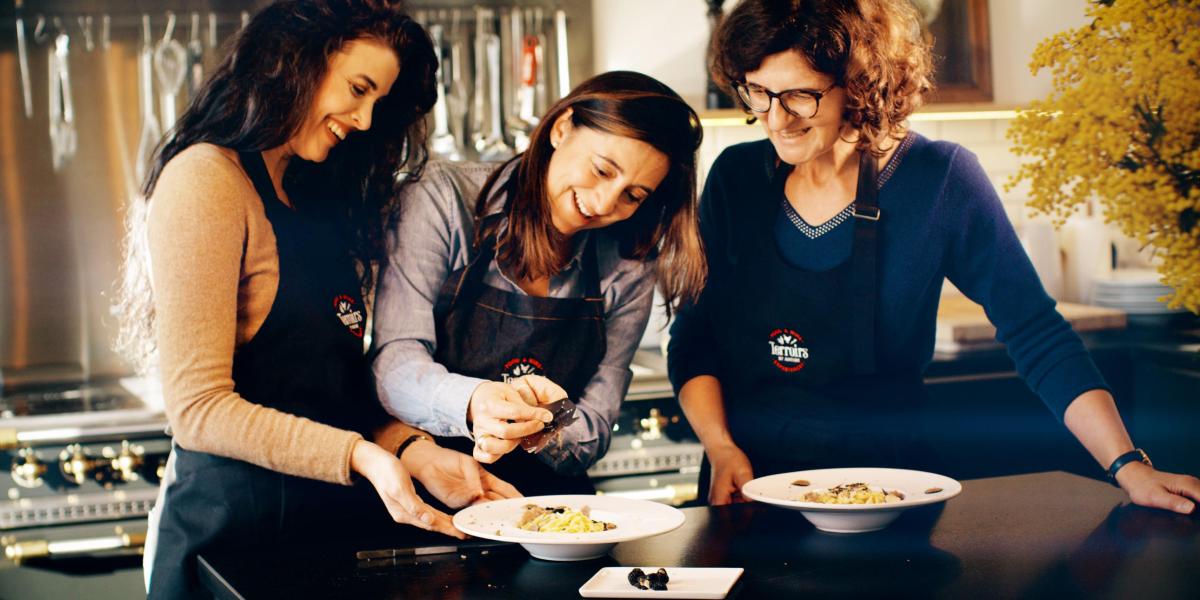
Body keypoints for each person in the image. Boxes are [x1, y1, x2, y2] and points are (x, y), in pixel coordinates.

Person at [668, 0, 1200, 512]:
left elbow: (1036, 332)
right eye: (758, 92)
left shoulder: (939, 178)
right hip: (745, 487)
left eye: (800, 96)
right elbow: (695, 336)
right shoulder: (735, 179)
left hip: (888, 493)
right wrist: (719, 447)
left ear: (859, 82)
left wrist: (1129, 466)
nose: (775, 119)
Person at [115, 2, 517, 597]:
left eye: (378, 104)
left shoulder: (313, 193)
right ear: (290, 61)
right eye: (358, 89)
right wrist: (361, 457)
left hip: (320, 542)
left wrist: (414, 452)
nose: (362, 120)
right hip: (229, 547)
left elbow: (332, 390)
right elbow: (198, 410)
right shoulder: (207, 179)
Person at [370, 71, 706, 496]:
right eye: (602, 169)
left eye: (633, 196)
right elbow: (395, 364)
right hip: (429, 484)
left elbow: (595, 427)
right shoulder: (444, 198)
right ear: (562, 127)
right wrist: (477, 403)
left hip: (552, 510)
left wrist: (545, 423)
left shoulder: (629, 262)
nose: (604, 203)